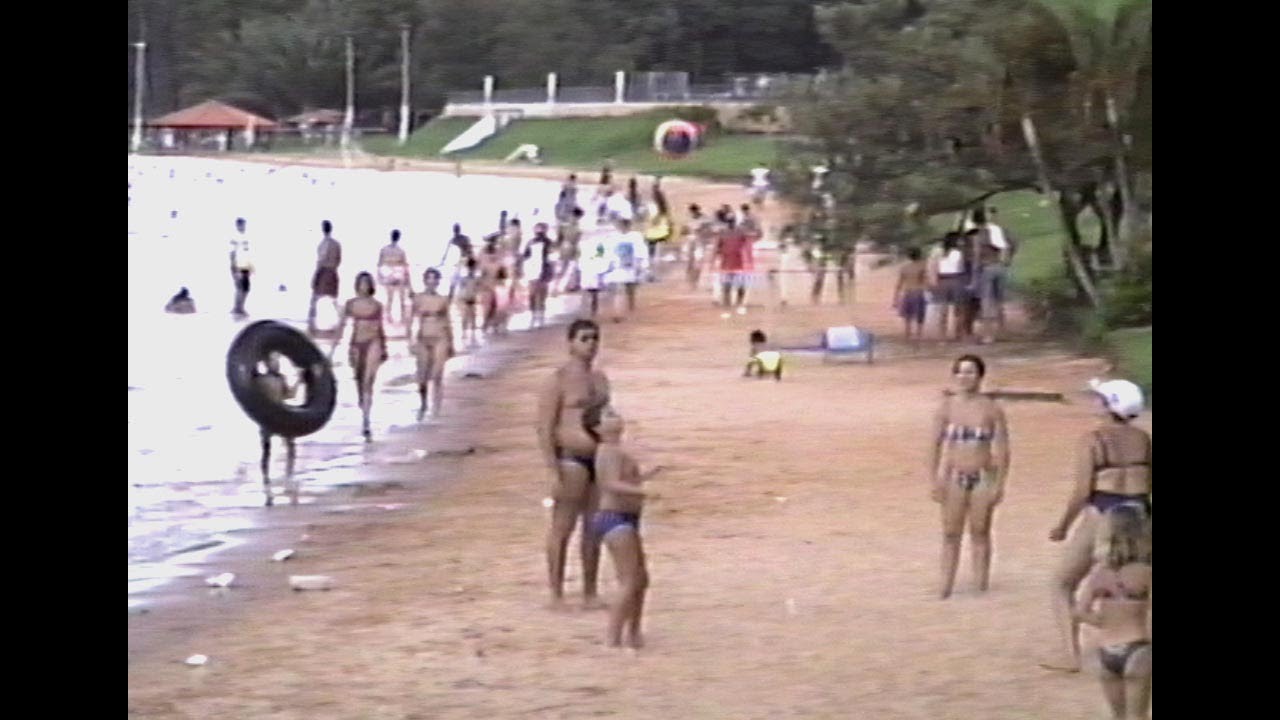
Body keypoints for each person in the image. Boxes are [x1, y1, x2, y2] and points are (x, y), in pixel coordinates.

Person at [1045, 378, 1151, 673]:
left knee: (1062, 583)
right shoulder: (1143, 439)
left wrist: (1063, 526)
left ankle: (1070, 655)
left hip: (1103, 510)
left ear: (1110, 405)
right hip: (1140, 511)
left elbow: (1082, 491)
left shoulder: (1093, 440)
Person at [535, 319, 611, 610]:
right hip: (570, 460)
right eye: (584, 339)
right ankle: (556, 593)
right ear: (570, 343)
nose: (590, 344)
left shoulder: (600, 380)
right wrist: (552, 468)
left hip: (598, 458)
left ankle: (590, 591)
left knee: (593, 527)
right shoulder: (557, 381)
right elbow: (545, 427)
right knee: (563, 526)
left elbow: (605, 419)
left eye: (594, 338)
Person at [927, 355, 1010, 599]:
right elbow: (934, 445)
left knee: (980, 530)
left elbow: (1002, 449)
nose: (965, 377)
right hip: (954, 475)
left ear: (980, 376)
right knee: (950, 532)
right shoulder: (946, 408)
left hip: (982, 474)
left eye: (970, 372)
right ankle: (945, 584)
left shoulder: (992, 409)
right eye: (961, 372)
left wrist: (999, 483)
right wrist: (933, 479)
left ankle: (980, 584)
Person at [583, 403, 661, 648]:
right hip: (614, 517)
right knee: (629, 580)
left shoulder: (615, 451)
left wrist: (645, 477)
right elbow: (610, 484)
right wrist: (644, 492)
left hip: (626, 516)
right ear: (597, 428)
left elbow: (623, 480)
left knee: (640, 578)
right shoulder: (608, 451)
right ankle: (613, 637)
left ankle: (633, 632)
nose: (615, 417)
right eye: (608, 416)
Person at [1073, 504, 1151, 720]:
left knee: (1118, 716)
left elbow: (1079, 612)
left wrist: (1103, 621)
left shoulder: (1099, 575)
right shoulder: (1146, 573)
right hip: (1138, 648)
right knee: (1138, 716)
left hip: (1106, 651)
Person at [334, 272, 386, 441]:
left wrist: (384, 348)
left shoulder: (377, 305)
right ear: (357, 285)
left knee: (368, 383)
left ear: (370, 286)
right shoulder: (351, 304)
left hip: (374, 342)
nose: (364, 286)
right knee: (359, 381)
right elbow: (341, 328)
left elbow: (380, 327)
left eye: (366, 283)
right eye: (361, 283)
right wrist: (332, 351)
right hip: (356, 344)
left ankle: (366, 422)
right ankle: (363, 408)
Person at [409, 268, 454, 421]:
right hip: (423, 338)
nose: (432, 282)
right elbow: (411, 320)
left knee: (437, 374)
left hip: (440, 337)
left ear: (438, 282)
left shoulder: (443, 300)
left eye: (435, 279)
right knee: (422, 376)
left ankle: (436, 408)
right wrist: (410, 340)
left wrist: (451, 342)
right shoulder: (418, 298)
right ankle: (423, 403)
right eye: (429, 278)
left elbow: (447, 321)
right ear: (425, 280)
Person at [254, 352, 299, 507]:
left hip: (281, 413)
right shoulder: (259, 379)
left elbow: (289, 395)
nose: (276, 364)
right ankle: (265, 477)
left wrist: (299, 380)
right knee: (266, 450)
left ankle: (289, 473)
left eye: (277, 361)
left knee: (291, 445)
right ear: (266, 363)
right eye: (272, 361)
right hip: (268, 416)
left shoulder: (280, 378)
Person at [970, 207, 1018, 344]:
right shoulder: (997, 230)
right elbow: (1012, 243)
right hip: (1000, 266)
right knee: (999, 302)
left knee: (986, 302)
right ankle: (1002, 331)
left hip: (986, 268)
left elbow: (977, 255)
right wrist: (1007, 261)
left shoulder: (979, 235)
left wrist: (974, 275)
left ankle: (988, 335)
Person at [928, 232, 968, 341]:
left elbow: (932, 266)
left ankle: (954, 334)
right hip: (950, 279)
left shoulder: (958, 252)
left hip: (952, 279)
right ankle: (946, 335)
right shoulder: (941, 251)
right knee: (947, 309)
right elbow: (932, 266)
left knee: (955, 309)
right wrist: (933, 281)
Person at [606, 218, 645, 319]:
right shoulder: (613, 237)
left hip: (630, 266)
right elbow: (609, 250)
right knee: (617, 289)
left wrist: (638, 265)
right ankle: (617, 312)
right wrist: (609, 264)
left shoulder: (635, 237)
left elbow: (640, 251)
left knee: (630, 288)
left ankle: (631, 307)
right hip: (617, 266)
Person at [309, 220, 343, 334]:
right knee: (333, 299)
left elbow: (321, 261)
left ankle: (312, 326)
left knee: (315, 299)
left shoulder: (324, 243)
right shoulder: (336, 244)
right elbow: (339, 259)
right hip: (333, 271)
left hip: (324, 272)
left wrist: (315, 275)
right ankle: (339, 322)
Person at [714, 212, 750, 314]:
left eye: (732, 221)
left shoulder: (741, 231)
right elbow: (718, 247)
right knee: (726, 287)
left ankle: (739, 305)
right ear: (727, 222)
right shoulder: (722, 232)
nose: (731, 223)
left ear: (735, 221)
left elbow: (746, 244)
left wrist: (746, 258)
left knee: (740, 286)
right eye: (729, 221)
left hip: (738, 263)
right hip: (726, 264)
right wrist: (718, 256)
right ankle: (727, 308)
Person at [522, 222, 556, 328]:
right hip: (532, 271)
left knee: (541, 295)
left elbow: (552, 258)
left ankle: (540, 316)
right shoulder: (530, 242)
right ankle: (534, 315)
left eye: (541, 229)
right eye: (537, 229)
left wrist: (552, 271)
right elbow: (525, 256)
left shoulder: (549, 243)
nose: (539, 231)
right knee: (532, 295)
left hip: (544, 271)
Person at [893, 247, 929, 346]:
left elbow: (899, 284)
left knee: (907, 316)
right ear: (919, 255)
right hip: (918, 292)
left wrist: (895, 298)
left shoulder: (905, 268)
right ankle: (919, 335)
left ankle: (907, 334)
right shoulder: (923, 266)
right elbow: (926, 281)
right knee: (920, 315)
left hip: (907, 292)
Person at [377, 229, 411, 326]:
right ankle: (400, 318)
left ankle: (390, 317)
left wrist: (380, 276)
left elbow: (379, 264)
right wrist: (407, 279)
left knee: (390, 298)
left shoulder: (385, 249)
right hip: (396, 273)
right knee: (399, 298)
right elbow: (405, 265)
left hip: (389, 273)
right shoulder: (400, 250)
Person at [228, 217, 253, 317]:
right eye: (242, 225)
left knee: (246, 288)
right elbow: (232, 254)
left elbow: (247, 253)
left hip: (245, 265)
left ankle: (239, 307)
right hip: (237, 265)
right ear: (237, 225)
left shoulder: (245, 237)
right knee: (240, 287)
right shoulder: (234, 237)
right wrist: (234, 268)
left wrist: (250, 267)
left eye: (244, 225)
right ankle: (238, 308)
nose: (244, 227)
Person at [456, 258, 481, 348]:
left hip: (471, 300)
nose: (472, 269)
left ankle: (471, 336)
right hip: (465, 300)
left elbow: (477, 289)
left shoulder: (475, 279)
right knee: (465, 318)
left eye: (473, 268)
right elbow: (461, 289)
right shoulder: (465, 279)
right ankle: (465, 335)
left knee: (472, 318)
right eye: (471, 268)